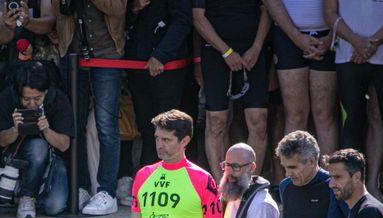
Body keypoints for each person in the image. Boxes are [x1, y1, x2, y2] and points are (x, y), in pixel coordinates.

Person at [326, 0, 383, 216]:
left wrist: (371, 43)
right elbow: (329, 12)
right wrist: (357, 42)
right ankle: (351, 192)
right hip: (348, 53)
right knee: (353, 120)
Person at [53, 0, 127, 215]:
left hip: (108, 53)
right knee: (75, 122)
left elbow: (118, 8)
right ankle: (82, 186)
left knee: (106, 124)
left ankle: (107, 192)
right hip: (74, 54)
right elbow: (60, 11)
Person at [192, 0, 271, 181]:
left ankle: (250, 186)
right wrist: (226, 52)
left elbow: (267, 9)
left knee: (259, 121)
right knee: (216, 122)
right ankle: (223, 187)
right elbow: (197, 17)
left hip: (253, 52)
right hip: (215, 52)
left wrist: (257, 47)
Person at [0, 61, 72, 218]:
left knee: (54, 207)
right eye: (26, 99)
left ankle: (35, 192)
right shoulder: (7, 97)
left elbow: (64, 145)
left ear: (46, 92)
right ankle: (26, 197)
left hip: (53, 159)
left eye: (37, 98)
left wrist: (47, 130)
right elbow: (0, 141)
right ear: (18, 93)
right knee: (38, 147)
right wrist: (15, 129)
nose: (31, 104)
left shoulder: (57, 99)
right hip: (18, 159)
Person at [261, 0, 337, 155]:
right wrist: (296, 37)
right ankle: (293, 175)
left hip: (328, 35)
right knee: (295, 114)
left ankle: (330, 176)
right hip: (287, 35)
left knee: (325, 114)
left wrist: (332, 35)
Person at [124, 0, 192, 170]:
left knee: (168, 128)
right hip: (136, 63)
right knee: (146, 128)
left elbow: (182, 20)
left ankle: (172, 175)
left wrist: (161, 55)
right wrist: (134, 8)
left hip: (167, 66)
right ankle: (147, 176)